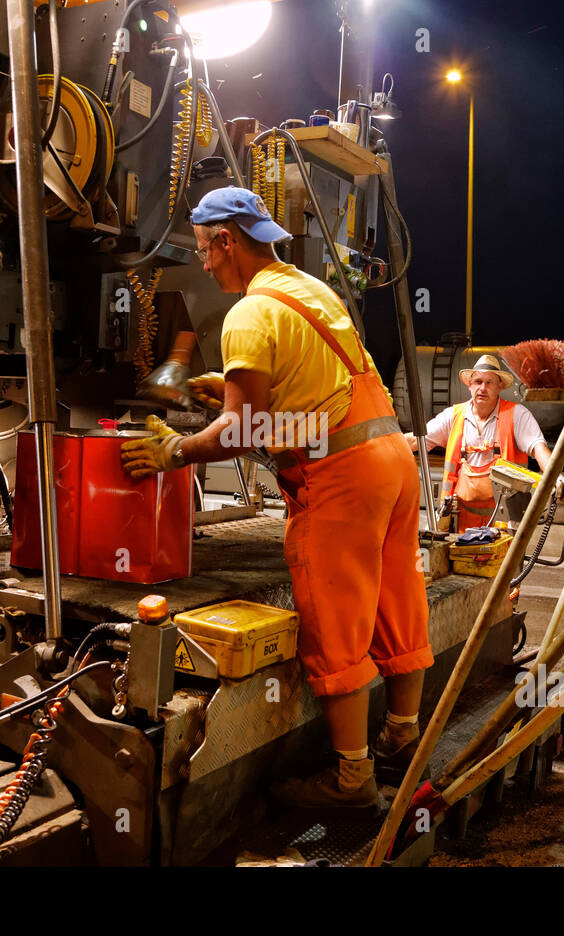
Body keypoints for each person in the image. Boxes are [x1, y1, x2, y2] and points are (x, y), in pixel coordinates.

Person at [121, 186, 431, 811]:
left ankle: (352, 780)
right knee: (397, 593)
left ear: (228, 241)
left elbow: (241, 433)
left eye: (206, 250)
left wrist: (174, 452)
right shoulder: (310, 290)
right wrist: (234, 385)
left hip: (341, 476)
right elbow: (306, 389)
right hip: (391, 460)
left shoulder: (248, 315)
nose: (204, 264)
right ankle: (402, 736)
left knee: (336, 616)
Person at [405, 354, 563, 532]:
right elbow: (416, 441)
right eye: (478, 381)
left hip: (505, 521)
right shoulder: (453, 416)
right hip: (460, 520)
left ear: (499, 386)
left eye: (489, 382)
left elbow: (538, 448)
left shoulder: (517, 415)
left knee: (501, 560)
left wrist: (556, 477)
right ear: (469, 385)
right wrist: (382, 444)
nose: (482, 388)